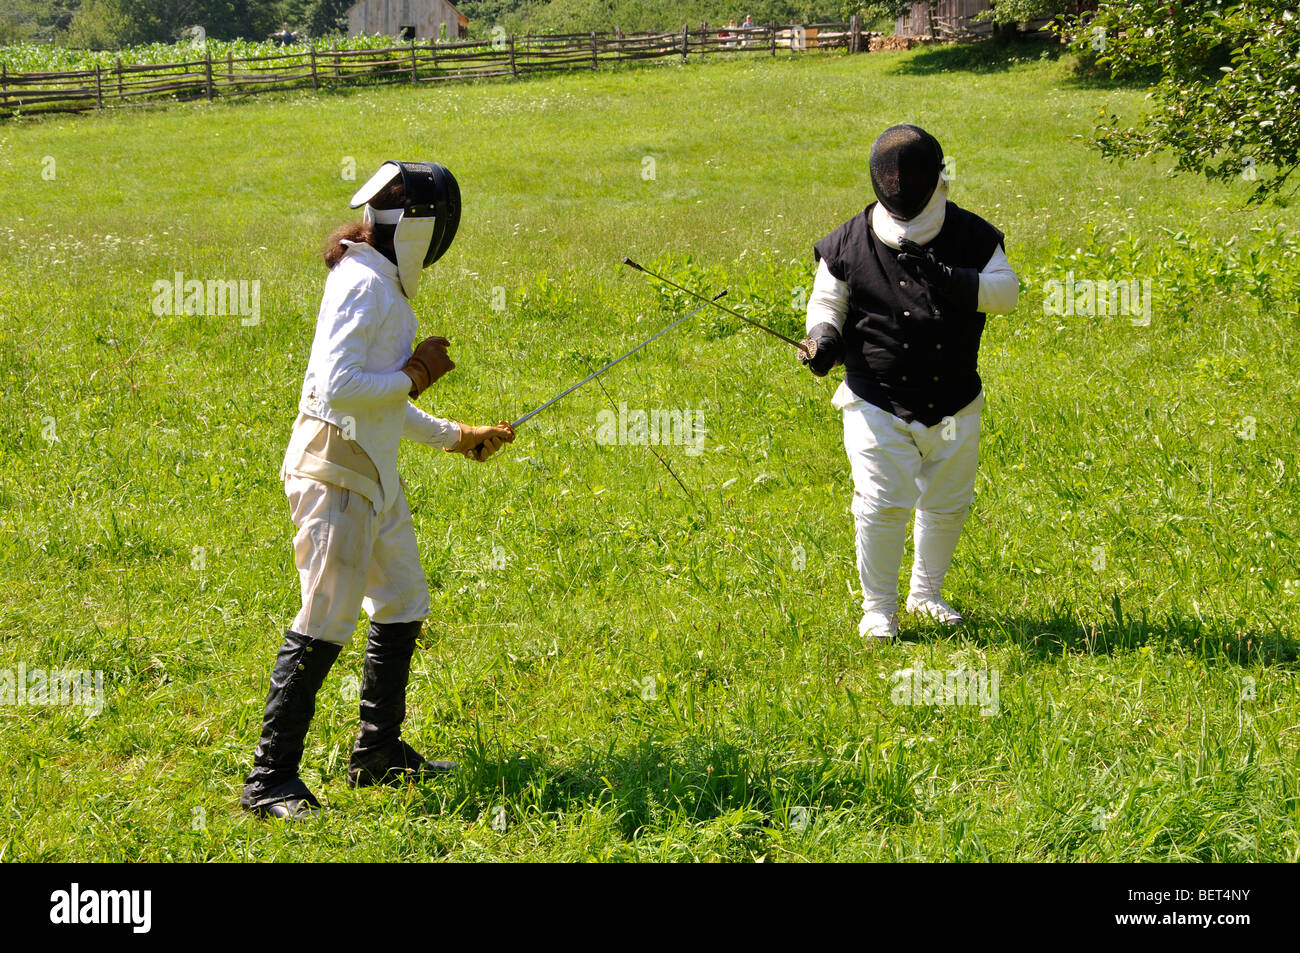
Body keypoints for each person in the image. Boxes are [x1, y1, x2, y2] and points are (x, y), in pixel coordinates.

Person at [241, 160, 515, 819]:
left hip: (371, 470)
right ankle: (269, 779)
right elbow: (339, 389)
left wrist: (456, 434)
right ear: (423, 229)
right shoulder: (365, 285)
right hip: (335, 470)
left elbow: (379, 401)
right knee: (325, 618)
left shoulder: (378, 278)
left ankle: (377, 753)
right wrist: (417, 374)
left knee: (401, 598)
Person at [800, 125, 1018, 640]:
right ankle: (878, 609)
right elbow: (827, 301)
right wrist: (823, 338)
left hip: (954, 401)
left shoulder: (972, 235)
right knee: (881, 502)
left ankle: (926, 595)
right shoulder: (850, 240)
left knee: (946, 503)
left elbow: (1006, 295)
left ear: (937, 178)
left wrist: (948, 277)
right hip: (876, 398)